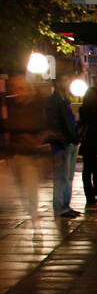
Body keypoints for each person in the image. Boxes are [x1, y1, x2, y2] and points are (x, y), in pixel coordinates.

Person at [3, 75, 49, 222]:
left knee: (30, 186)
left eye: (21, 88)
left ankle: (34, 214)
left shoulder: (36, 106)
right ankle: (31, 211)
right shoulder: (10, 106)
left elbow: (44, 127)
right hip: (16, 154)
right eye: (15, 88)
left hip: (30, 155)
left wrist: (36, 141)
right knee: (22, 187)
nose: (18, 92)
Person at [46, 73, 80, 217]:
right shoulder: (55, 101)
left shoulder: (63, 100)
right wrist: (66, 139)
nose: (67, 83)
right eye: (65, 80)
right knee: (62, 176)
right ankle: (61, 206)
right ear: (57, 82)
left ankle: (65, 204)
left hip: (68, 142)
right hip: (62, 144)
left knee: (67, 176)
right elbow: (56, 123)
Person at [77, 85, 97, 211]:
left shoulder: (83, 109)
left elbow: (82, 125)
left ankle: (90, 197)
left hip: (88, 143)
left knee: (87, 171)